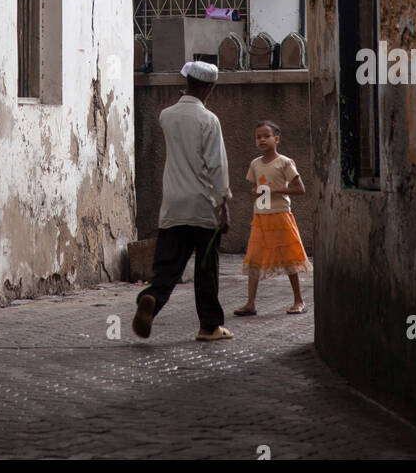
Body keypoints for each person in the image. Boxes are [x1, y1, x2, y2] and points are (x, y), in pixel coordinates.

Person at [132, 61, 234, 342]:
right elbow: (217, 166)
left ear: (187, 82)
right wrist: (224, 204)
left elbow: (180, 113)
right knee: (206, 270)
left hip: (173, 205)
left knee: (167, 267)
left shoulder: (167, 115)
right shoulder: (209, 120)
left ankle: (151, 297)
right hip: (203, 205)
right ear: (209, 87)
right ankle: (209, 327)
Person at [234, 121, 312, 317]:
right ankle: (250, 303)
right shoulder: (255, 164)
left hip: (280, 215)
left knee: (289, 259)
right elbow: (254, 187)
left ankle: (299, 300)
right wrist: (257, 191)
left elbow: (300, 189)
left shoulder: (285, 162)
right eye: (258, 136)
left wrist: (275, 190)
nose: (262, 139)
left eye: (266, 136)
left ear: (276, 139)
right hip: (260, 216)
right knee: (254, 259)